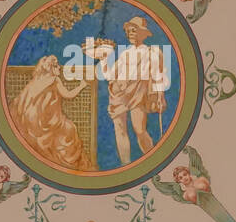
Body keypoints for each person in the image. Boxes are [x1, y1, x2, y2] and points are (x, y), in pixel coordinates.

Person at [88, 17, 169, 165]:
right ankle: (126, 164)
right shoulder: (125, 54)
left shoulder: (151, 52)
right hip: (119, 93)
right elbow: (110, 75)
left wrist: (160, 95)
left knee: (139, 129)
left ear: (143, 33)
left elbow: (158, 75)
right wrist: (103, 58)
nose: (131, 33)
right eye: (129, 31)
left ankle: (152, 160)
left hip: (138, 92)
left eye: (134, 30)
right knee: (120, 130)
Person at [9, 55, 89, 170]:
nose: (60, 68)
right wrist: (81, 86)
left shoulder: (36, 80)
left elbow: (22, 101)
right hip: (50, 122)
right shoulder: (54, 80)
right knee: (70, 129)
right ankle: (67, 164)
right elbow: (68, 95)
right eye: (57, 66)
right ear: (51, 68)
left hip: (36, 122)